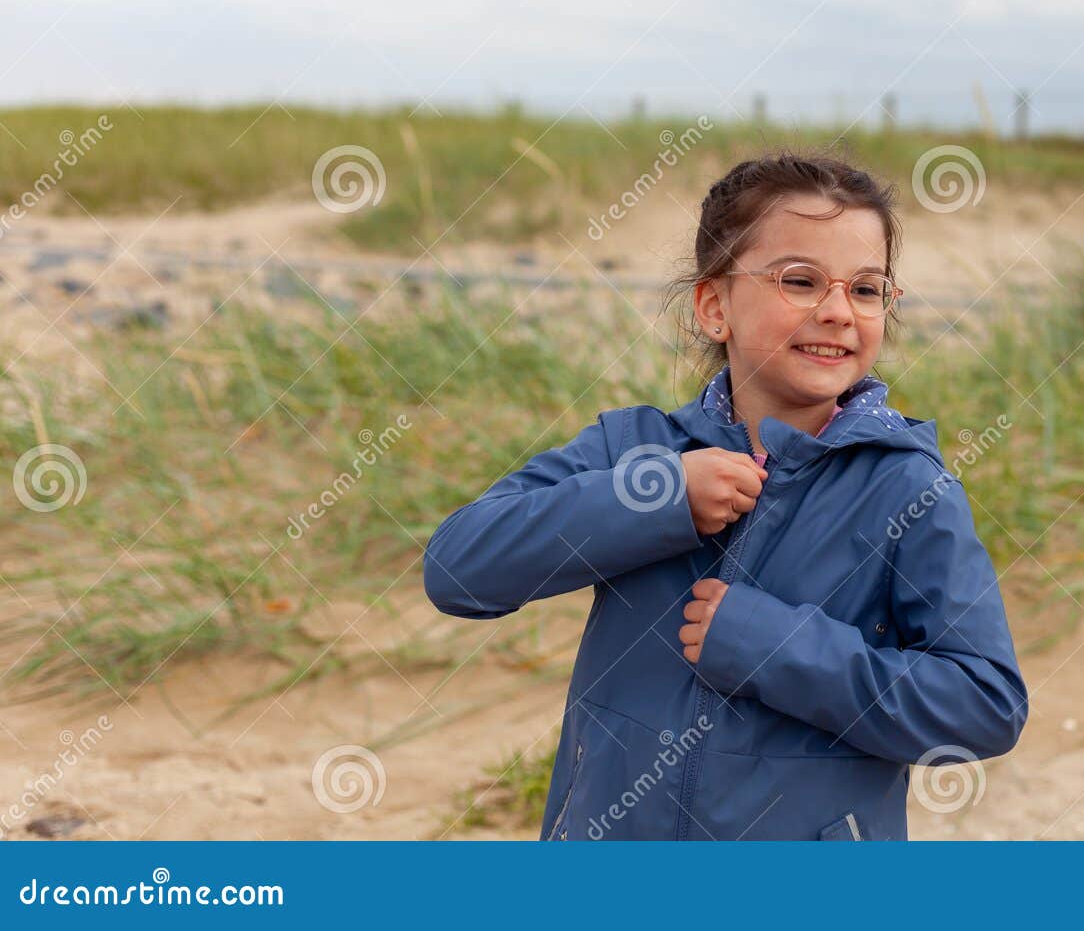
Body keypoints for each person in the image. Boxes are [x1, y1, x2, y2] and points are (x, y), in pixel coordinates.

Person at [423, 150, 1028, 840]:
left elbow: (985, 705)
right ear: (714, 306)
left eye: (865, 289)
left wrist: (778, 648)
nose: (838, 311)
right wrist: (652, 501)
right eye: (800, 281)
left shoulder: (906, 486)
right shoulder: (636, 452)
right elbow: (457, 570)